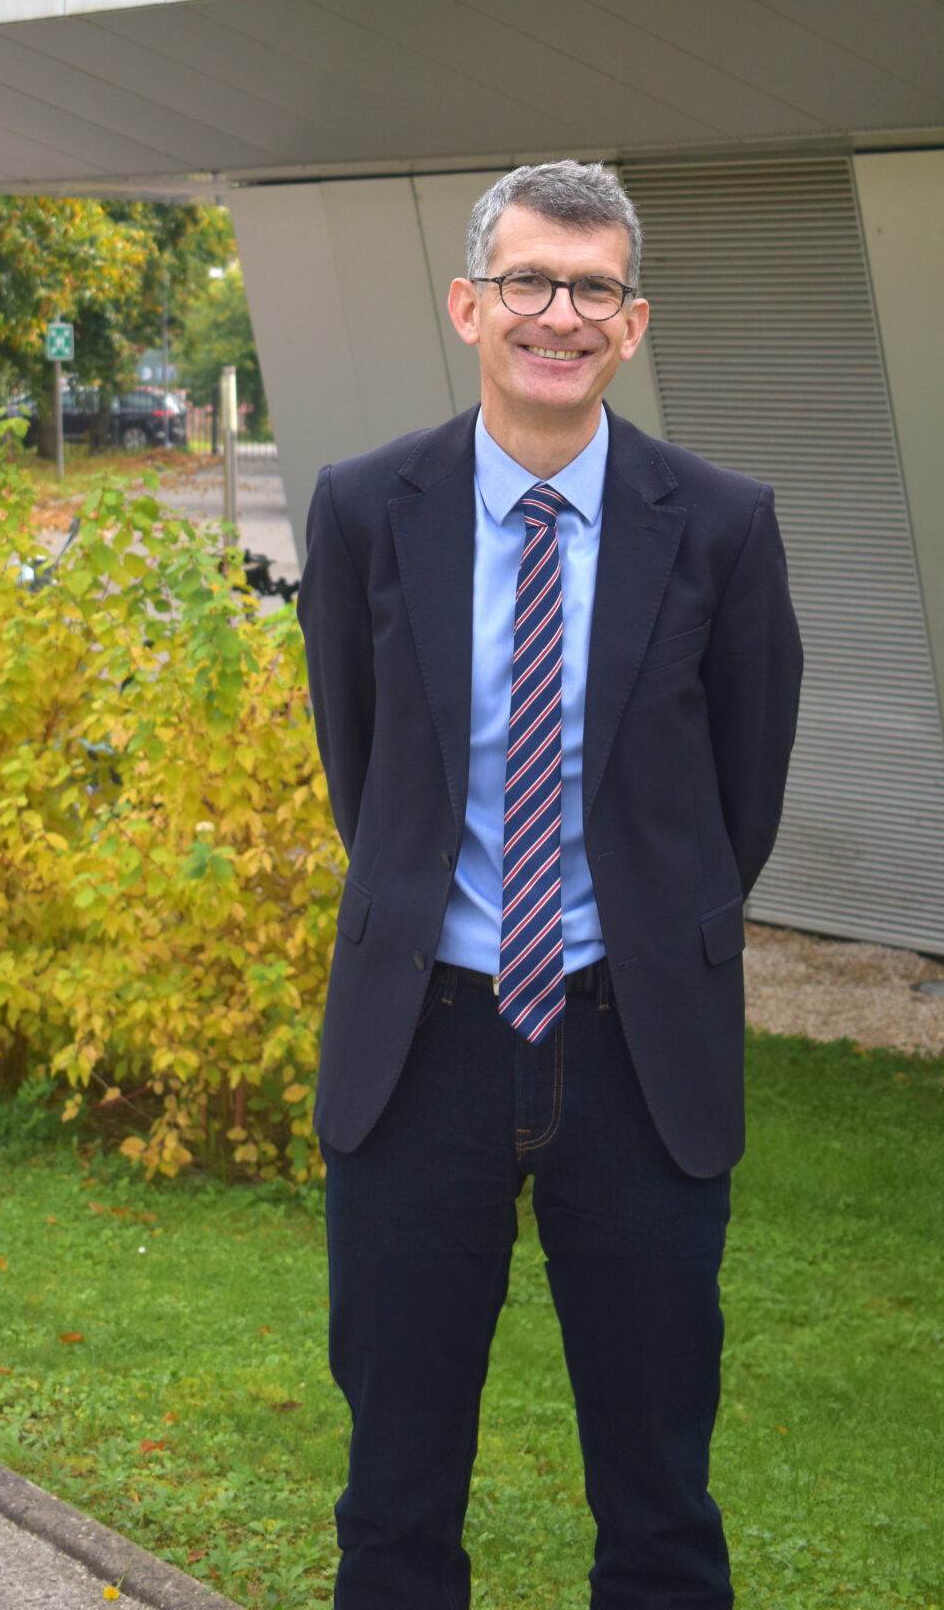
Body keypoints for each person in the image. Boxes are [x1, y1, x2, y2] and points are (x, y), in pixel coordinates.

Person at [296, 159, 802, 1609]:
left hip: (636, 1049)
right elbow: (365, 766)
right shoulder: (363, 508)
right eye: (528, 280)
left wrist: (637, 934)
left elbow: (738, 800)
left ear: (631, 325)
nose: (558, 314)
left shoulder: (719, 525)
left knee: (657, 1494)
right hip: (425, 1046)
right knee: (394, 1495)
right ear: (471, 304)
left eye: (593, 288)